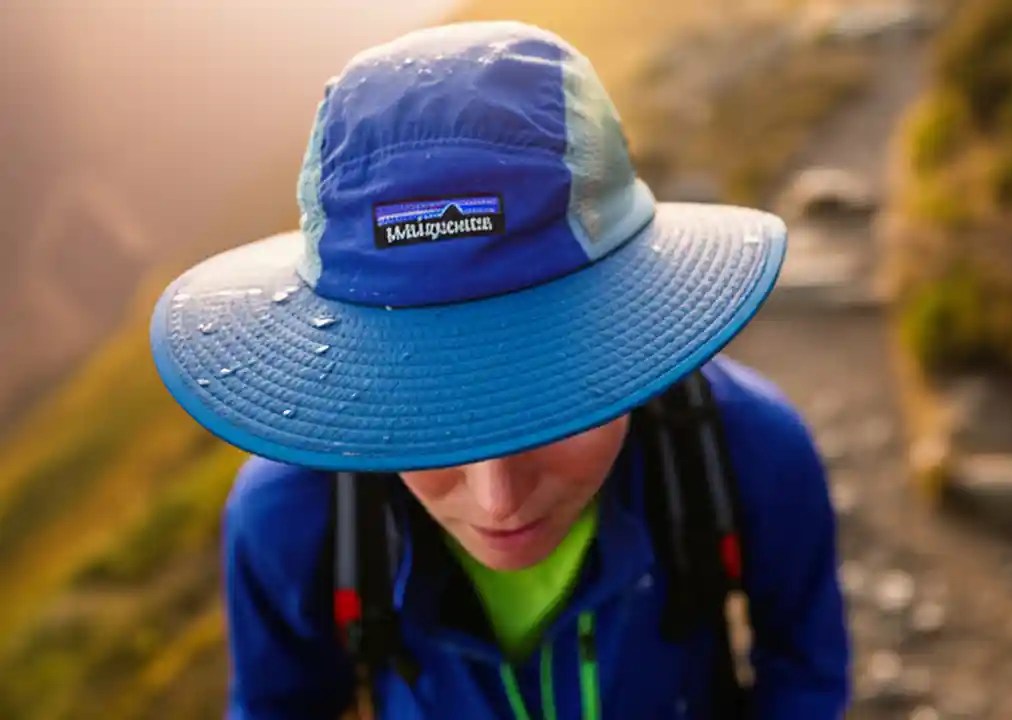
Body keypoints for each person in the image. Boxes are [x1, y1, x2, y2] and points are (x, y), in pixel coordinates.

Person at [150, 20, 849, 719]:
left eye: (554, 395)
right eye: (428, 412)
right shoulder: (291, 520)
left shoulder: (747, 452)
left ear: (635, 334)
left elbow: (804, 675)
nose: (497, 500)